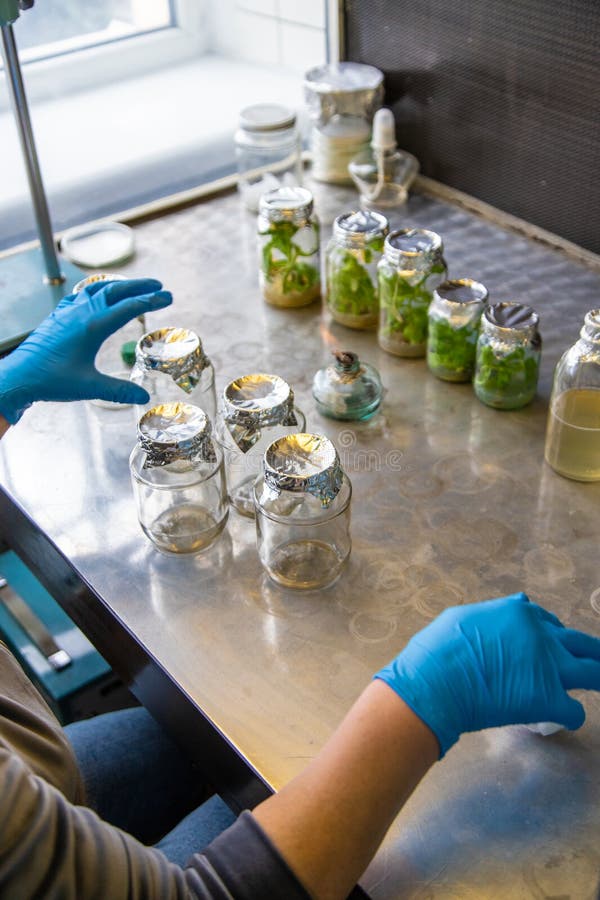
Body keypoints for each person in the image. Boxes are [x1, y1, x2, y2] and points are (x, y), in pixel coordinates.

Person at [0, 277, 598, 899]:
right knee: (314, 817)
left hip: (33, 772)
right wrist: (429, 698)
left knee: (182, 740)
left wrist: (3, 390)